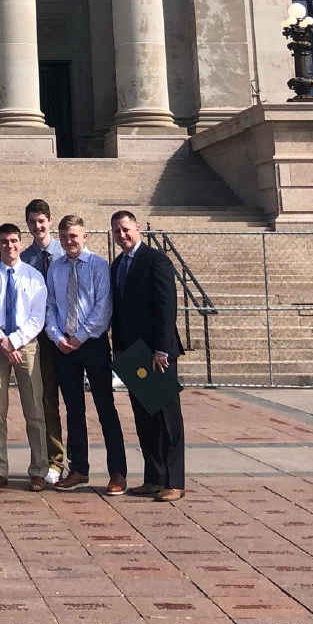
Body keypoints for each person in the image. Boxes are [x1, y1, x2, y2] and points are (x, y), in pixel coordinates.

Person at [43, 215, 128, 495]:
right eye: (65, 237)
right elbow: (51, 306)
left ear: (85, 236)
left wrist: (79, 338)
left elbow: (103, 307)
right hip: (64, 346)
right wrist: (58, 337)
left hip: (92, 343)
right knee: (74, 411)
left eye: (74, 236)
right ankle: (79, 469)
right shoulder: (55, 267)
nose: (69, 241)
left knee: (105, 408)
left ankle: (117, 472)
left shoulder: (99, 265)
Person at [110, 210, 186, 502]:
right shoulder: (117, 265)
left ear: (138, 228)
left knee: (168, 420)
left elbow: (167, 307)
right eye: (117, 231)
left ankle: (174, 480)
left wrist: (162, 348)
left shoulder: (156, 260)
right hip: (132, 355)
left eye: (126, 229)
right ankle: (154, 477)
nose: (122, 235)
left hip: (157, 355)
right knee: (145, 419)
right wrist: (120, 350)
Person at [0, 223, 50, 491]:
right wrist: (2, 342)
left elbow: (37, 318)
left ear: (21, 243)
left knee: (35, 410)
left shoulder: (33, 277)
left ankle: (39, 469)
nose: (9, 245)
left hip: (26, 347)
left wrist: (15, 341)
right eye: (4, 241)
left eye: (14, 241)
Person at [21, 198, 66, 487]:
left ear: (50, 221)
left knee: (74, 403)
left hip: (71, 337)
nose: (38, 226)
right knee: (47, 401)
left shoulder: (68, 250)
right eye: (32, 222)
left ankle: (80, 462)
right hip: (41, 340)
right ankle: (55, 460)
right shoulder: (24, 258)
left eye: (42, 221)